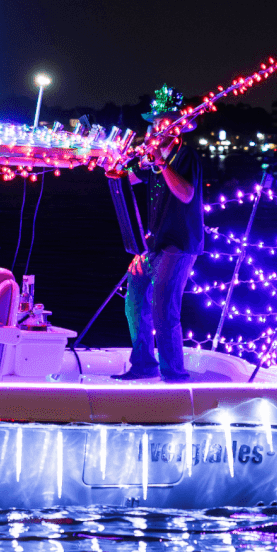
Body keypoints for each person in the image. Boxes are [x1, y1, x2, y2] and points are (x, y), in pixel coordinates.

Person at [117, 86, 205, 382]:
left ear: (176, 128)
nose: (156, 127)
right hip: (153, 243)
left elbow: (186, 194)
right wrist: (114, 163)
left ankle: (174, 374)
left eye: (162, 122)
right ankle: (143, 364)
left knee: (164, 307)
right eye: (154, 122)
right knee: (135, 301)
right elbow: (126, 178)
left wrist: (161, 163)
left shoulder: (185, 156)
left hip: (180, 244)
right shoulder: (152, 161)